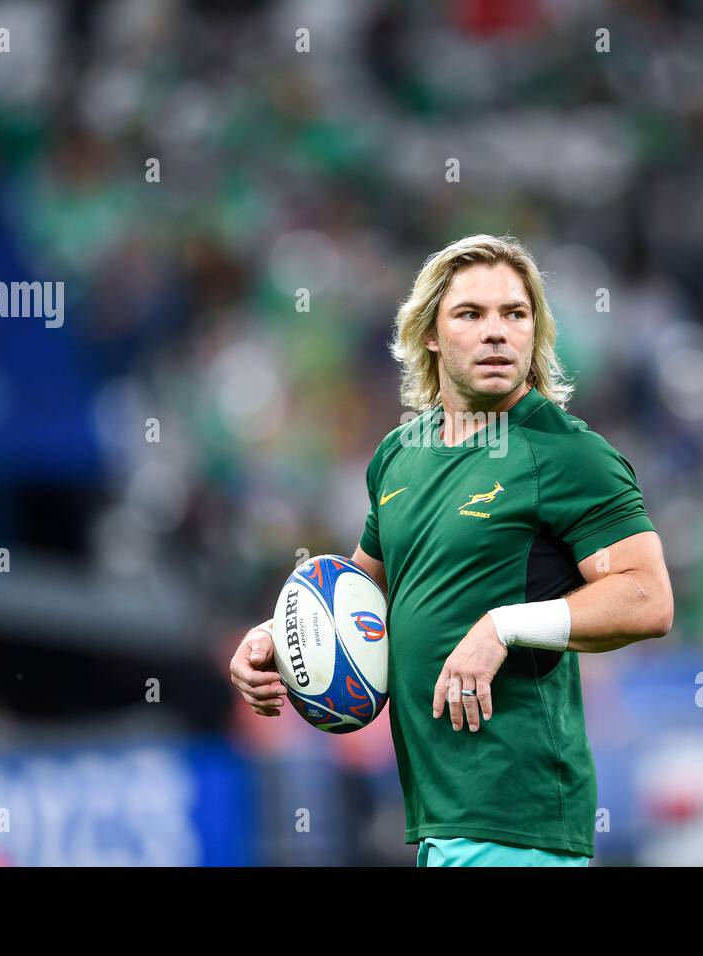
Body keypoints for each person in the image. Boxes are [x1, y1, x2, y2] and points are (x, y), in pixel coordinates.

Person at [231, 234, 673, 866]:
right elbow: (366, 594)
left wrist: (505, 626)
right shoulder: (398, 455)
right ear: (431, 333)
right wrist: (279, 636)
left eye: (514, 315)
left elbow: (649, 598)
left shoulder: (566, 454)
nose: (497, 333)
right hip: (438, 815)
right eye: (471, 314)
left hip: (519, 818)